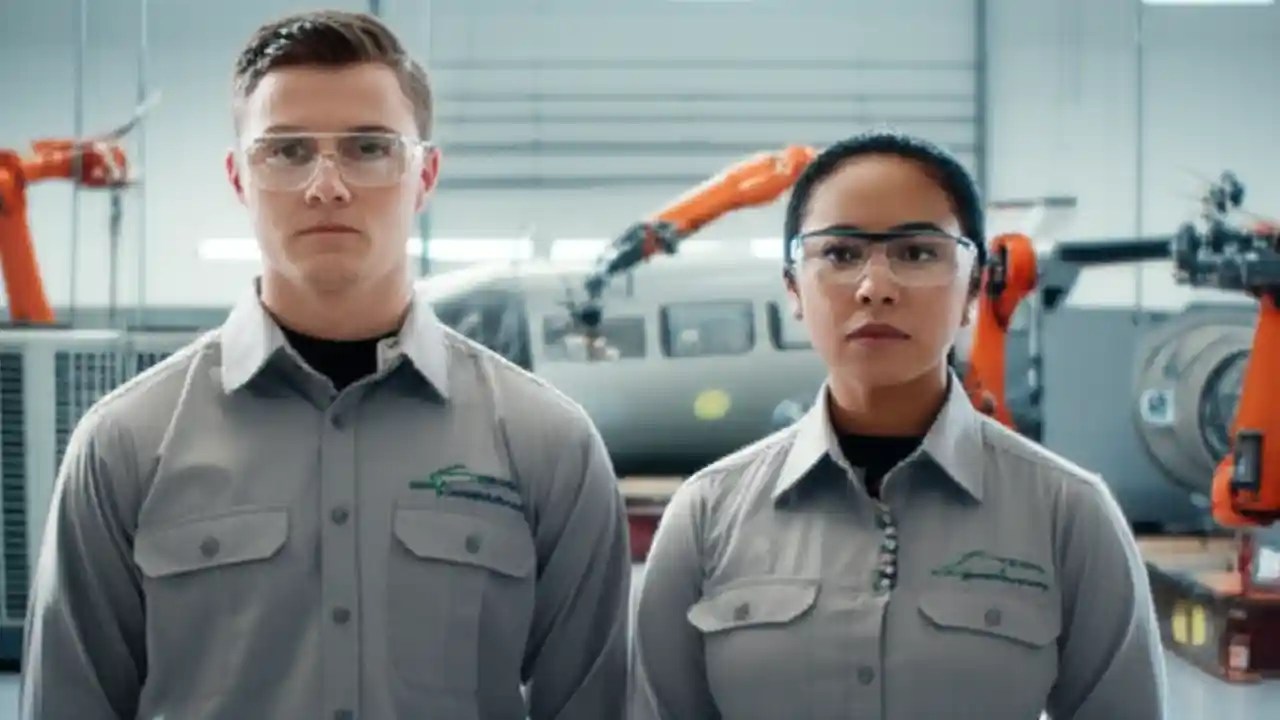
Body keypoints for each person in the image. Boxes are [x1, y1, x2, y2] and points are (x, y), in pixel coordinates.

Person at [21, 10, 631, 720]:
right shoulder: (126, 443)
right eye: (286, 151)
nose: (327, 185)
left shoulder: (545, 444)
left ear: (424, 174)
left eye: (369, 147)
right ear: (239, 178)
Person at [630, 130, 1167, 720]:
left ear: (972, 288)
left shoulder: (1067, 514)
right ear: (793, 289)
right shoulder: (709, 515)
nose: (874, 287)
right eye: (839, 253)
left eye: (916, 253)